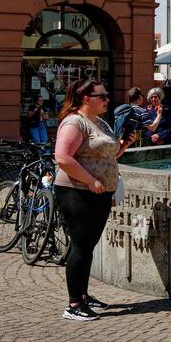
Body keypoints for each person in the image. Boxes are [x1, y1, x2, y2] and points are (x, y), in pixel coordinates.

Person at [53, 78, 135, 321]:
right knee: (80, 245)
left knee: (88, 246)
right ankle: (74, 304)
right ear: (86, 99)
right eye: (102, 96)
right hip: (77, 192)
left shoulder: (99, 122)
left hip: (99, 193)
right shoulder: (75, 123)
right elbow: (63, 157)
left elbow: (105, 154)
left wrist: (123, 147)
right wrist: (90, 180)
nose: (107, 100)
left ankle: (84, 295)